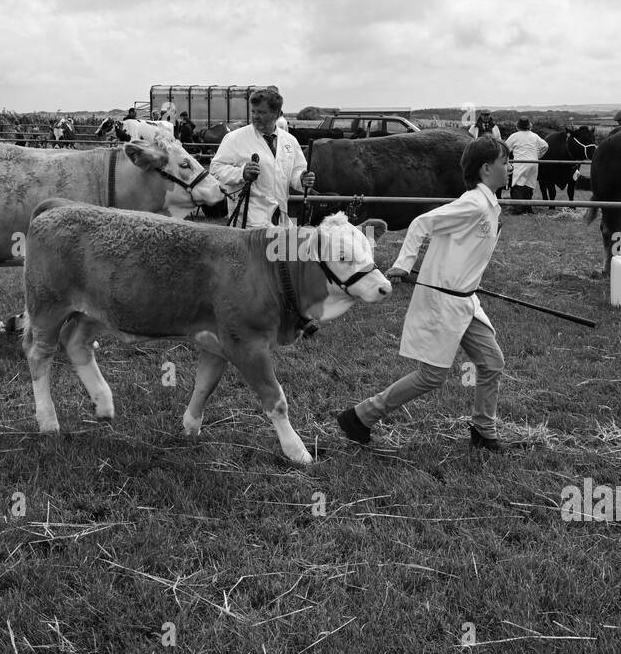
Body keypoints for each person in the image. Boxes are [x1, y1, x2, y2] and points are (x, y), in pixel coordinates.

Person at [336, 136, 511, 453]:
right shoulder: (472, 203)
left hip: (465, 300)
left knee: (491, 362)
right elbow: (421, 223)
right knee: (432, 376)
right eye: (504, 162)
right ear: (487, 168)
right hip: (444, 301)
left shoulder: (485, 204)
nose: (508, 168)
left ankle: (483, 431)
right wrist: (403, 265)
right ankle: (359, 417)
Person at [210, 88, 315, 227]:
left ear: (276, 114)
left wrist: (302, 178)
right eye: (253, 111)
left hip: (281, 217)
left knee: (287, 247)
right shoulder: (234, 138)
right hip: (249, 220)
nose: (255, 116)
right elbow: (215, 169)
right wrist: (241, 173)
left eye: (261, 112)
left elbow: (296, 171)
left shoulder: (290, 141)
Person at [504, 117, 548, 214]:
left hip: (521, 162)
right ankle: (527, 208)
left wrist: (506, 161)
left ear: (518, 126)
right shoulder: (534, 135)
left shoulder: (514, 136)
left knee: (517, 185)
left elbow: (504, 148)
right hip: (534, 163)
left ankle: (517, 210)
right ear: (529, 126)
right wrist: (538, 155)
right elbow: (545, 145)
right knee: (529, 185)